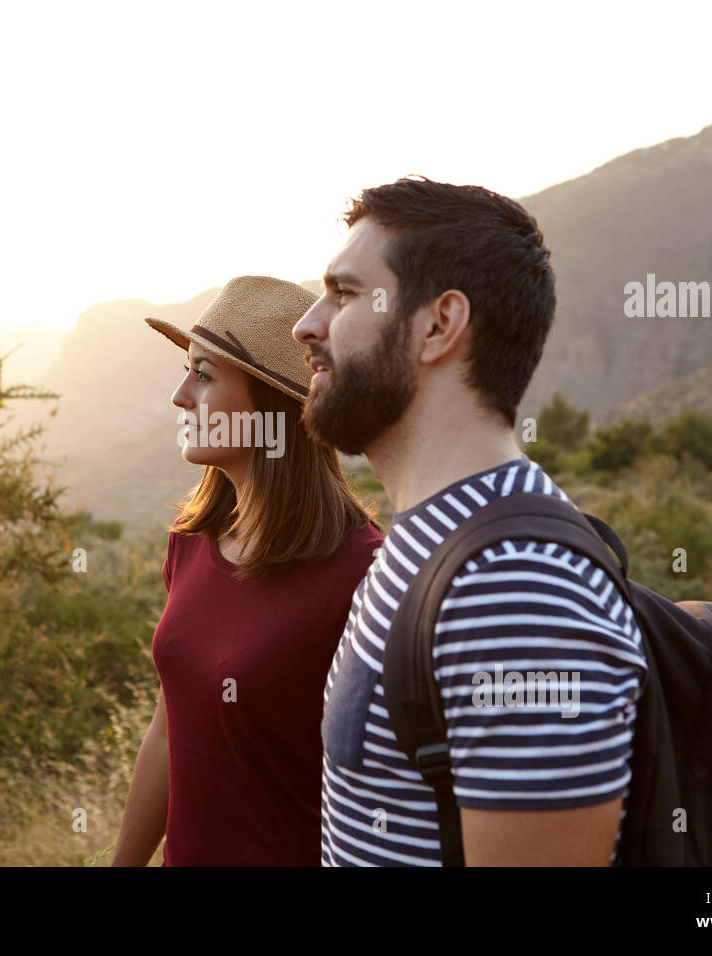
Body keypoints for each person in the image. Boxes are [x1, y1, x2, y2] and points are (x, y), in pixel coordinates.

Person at [291, 177, 649, 866]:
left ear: (437, 326)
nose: (308, 324)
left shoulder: (517, 586)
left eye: (342, 294)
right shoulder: (437, 543)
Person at [111, 275, 383, 866]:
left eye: (203, 375)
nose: (181, 396)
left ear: (270, 406)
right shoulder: (191, 545)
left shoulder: (364, 574)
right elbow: (167, 733)